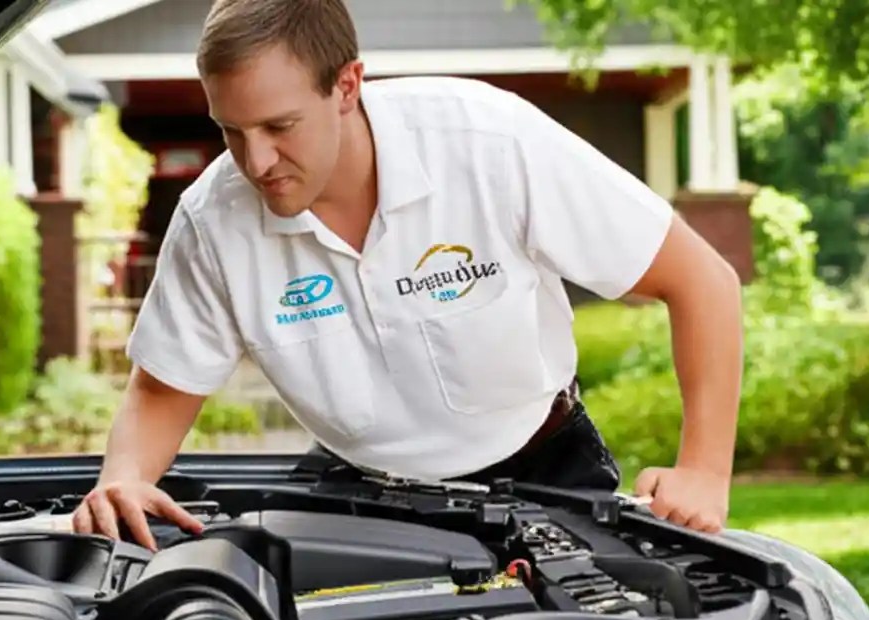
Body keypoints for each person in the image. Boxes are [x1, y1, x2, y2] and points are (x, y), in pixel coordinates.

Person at [70, 0, 743, 551]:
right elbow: (163, 386)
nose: (257, 161)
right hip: (358, 492)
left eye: (280, 126)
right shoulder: (212, 220)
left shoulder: (490, 143)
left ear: (347, 86)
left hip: (544, 470)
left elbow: (702, 281)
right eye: (231, 132)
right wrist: (125, 477)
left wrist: (704, 472)